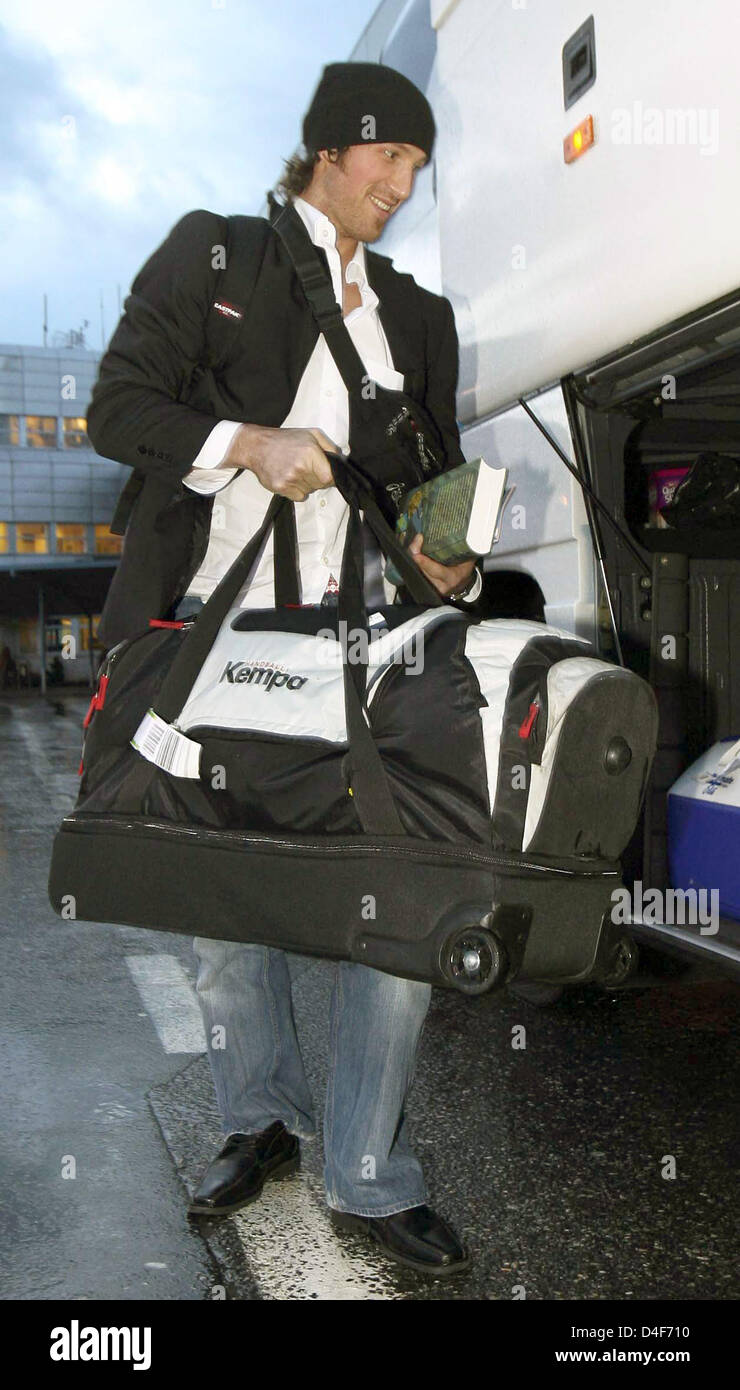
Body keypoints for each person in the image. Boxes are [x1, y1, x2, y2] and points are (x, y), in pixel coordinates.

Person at [86, 62, 481, 1277]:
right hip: (214, 628)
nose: (401, 185)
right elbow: (118, 407)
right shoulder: (217, 257)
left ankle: (366, 1166)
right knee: (226, 906)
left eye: (417, 168)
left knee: (403, 891)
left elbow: (430, 485)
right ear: (327, 148)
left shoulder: (417, 317)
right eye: (388, 159)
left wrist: (444, 560)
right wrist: (243, 441)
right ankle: (259, 1117)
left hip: (370, 644)